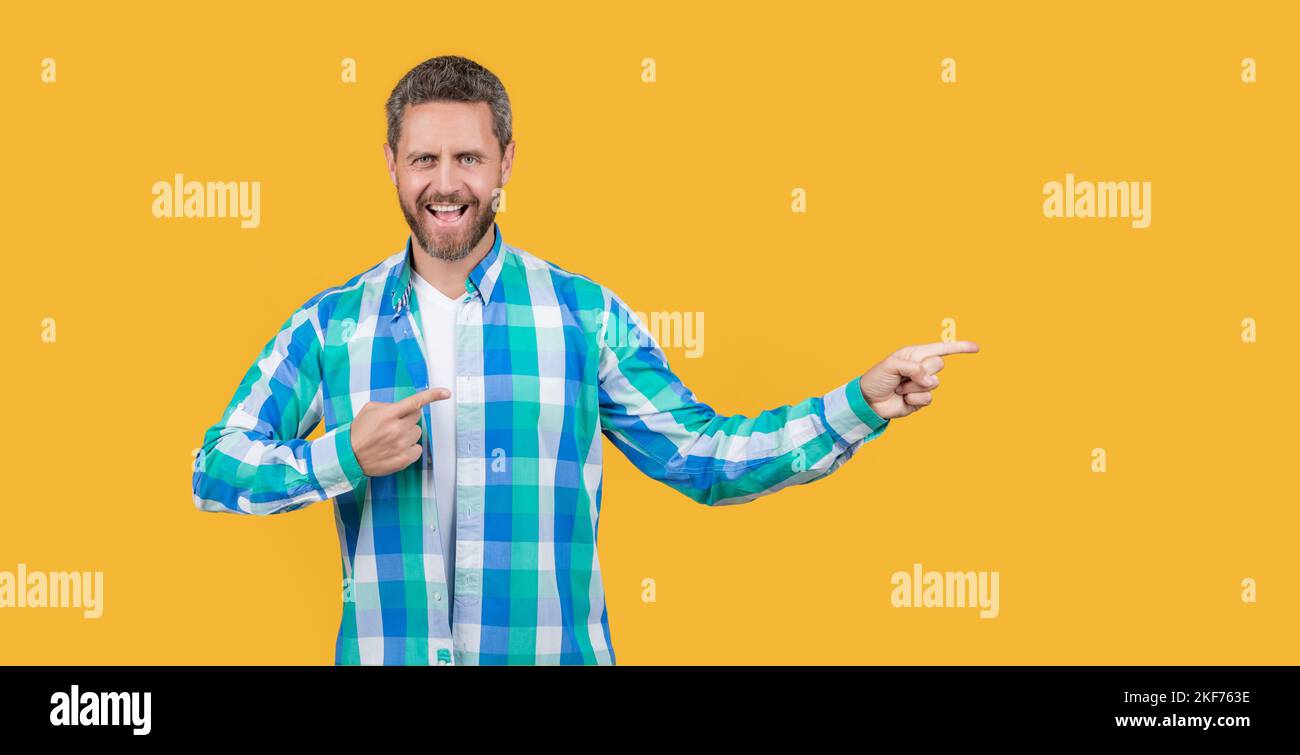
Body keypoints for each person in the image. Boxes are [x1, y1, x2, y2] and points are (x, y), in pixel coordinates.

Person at [190, 54, 980, 665]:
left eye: (469, 157)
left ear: (506, 163)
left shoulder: (584, 315)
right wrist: (343, 456)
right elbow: (215, 471)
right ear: (391, 165)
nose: (446, 182)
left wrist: (861, 403)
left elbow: (706, 457)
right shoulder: (329, 326)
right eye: (424, 159)